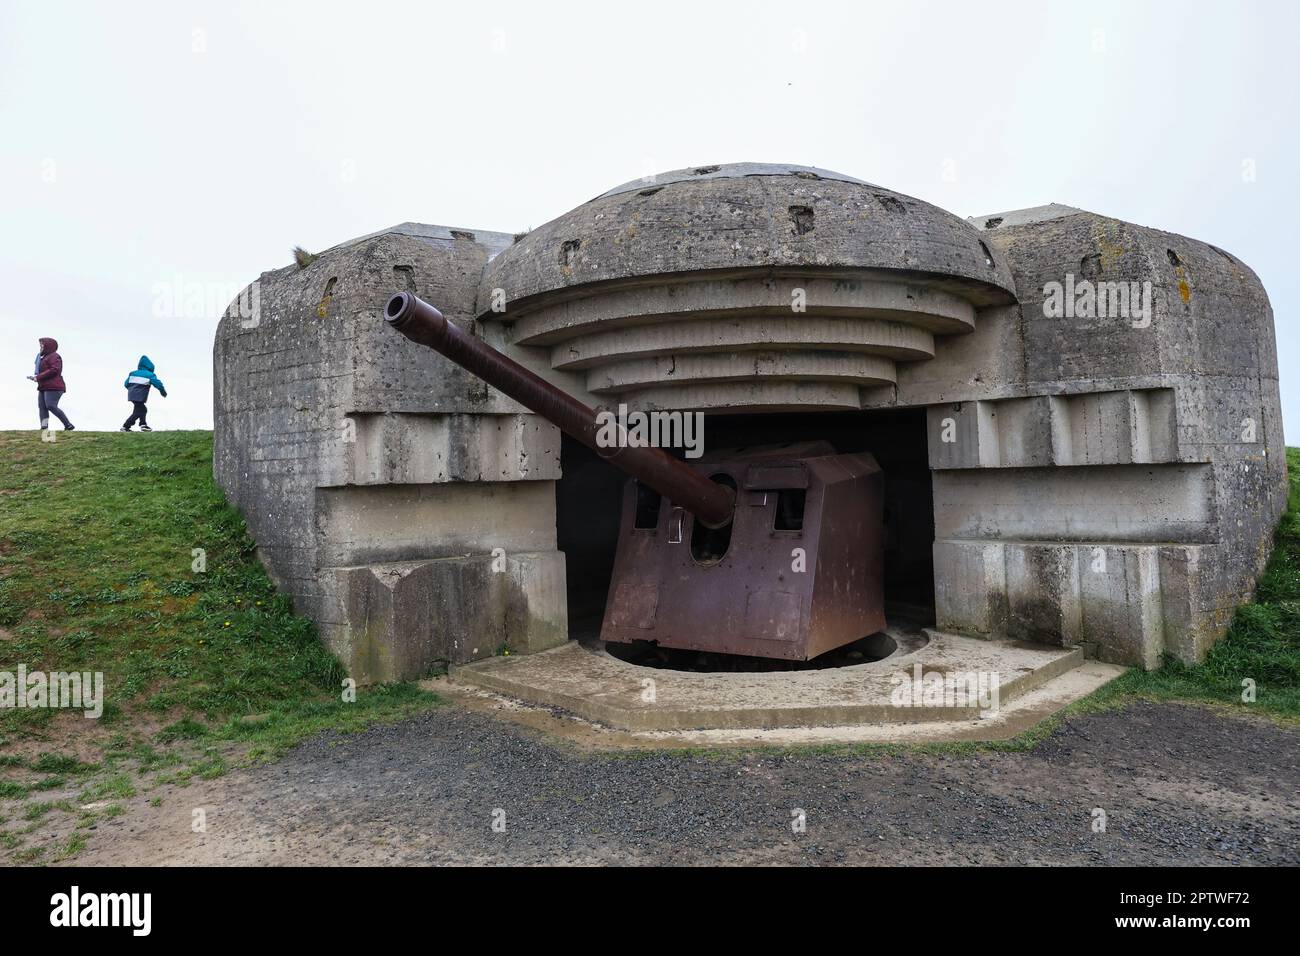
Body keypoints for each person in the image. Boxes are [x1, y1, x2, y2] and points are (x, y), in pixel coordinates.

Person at [27, 337, 74, 432]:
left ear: (48, 346)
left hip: (54, 387)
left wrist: (39, 377)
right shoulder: (43, 357)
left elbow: (55, 370)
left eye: (42, 345)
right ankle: (44, 427)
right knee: (42, 407)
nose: (40, 347)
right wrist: (36, 377)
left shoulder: (54, 356)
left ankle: (68, 425)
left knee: (50, 405)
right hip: (44, 386)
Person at [121, 355, 167, 432]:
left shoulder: (133, 373)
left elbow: (126, 384)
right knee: (139, 411)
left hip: (132, 395)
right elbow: (158, 383)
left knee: (142, 409)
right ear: (150, 367)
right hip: (140, 396)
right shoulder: (150, 375)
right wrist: (163, 392)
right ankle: (126, 426)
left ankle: (143, 425)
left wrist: (132, 390)